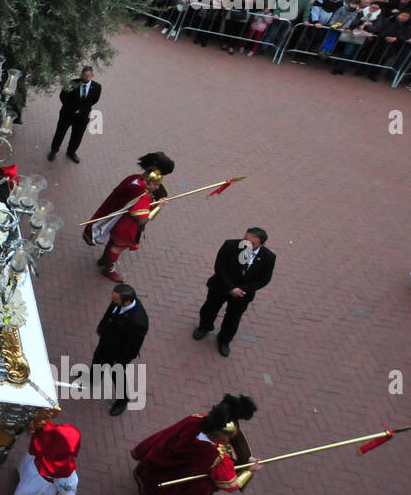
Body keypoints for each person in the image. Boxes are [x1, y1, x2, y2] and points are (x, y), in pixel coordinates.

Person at [132, 393, 261, 495]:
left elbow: (169, 433)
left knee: (154, 485)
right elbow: (230, 484)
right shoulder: (217, 457)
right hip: (180, 482)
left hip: (160, 462)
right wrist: (249, 470)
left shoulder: (194, 419)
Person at [83, 152, 174, 282]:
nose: (158, 186)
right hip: (127, 226)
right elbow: (142, 220)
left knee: (113, 242)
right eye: (157, 183)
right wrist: (159, 206)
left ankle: (104, 259)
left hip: (118, 219)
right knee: (117, 247)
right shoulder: (142, 194)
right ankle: (108, 270)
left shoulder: (133, 178)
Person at [193, 228, 276, 357]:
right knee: (209, 308)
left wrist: (242, 289)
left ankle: (224, 340)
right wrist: (231, 288)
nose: (247, 245)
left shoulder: (269, 257)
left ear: (262, 245)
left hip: (242, 295)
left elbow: (264, 280)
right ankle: (204, 327)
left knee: (233, 318)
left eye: (252, 243)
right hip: (221, 286)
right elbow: (219, 268)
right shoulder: (230, 245)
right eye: (245, 240)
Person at [8, 422, 80, 495]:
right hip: (42, 484)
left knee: (25, 487)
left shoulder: (46, 435)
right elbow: (66, 486)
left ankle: (20, 477)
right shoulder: (65, 468)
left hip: (32, 467)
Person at [91, 283, 149, 416]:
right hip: (106, 341)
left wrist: (120, 360)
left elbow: (133, 346)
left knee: (117, 375)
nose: (112, 300)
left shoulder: (138, 321)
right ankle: (94, 378)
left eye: (115, 299)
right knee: (97, 358)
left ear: (127, 302)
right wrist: (102, 327)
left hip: (118, 353)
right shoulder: (119, 301)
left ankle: (122, 400)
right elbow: (109, 313)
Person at [47, 67, 100, 163]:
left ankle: (71, 152)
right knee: (60, 132)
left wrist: (82, 109)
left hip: (82, 117)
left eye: (87, 76)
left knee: (77, 135)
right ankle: (54, 150)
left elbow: (94, 100)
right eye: (83, 75)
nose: (85, 78)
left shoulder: (97, 87)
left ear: (92, 76)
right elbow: (62, 96)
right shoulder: (72, 83)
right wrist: (71, 107)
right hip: (67, 114)